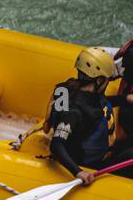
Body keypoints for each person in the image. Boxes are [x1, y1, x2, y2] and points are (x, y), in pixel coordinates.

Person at [46, 46, 133, 183]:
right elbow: (56, 145)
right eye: (107, 80)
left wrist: (125, 98)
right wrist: (78, 172)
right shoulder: (74, 112)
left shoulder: (76, 90)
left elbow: (100, 103)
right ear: (99, 81)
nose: (107, 82)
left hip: (102, 152)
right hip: (89, 164)